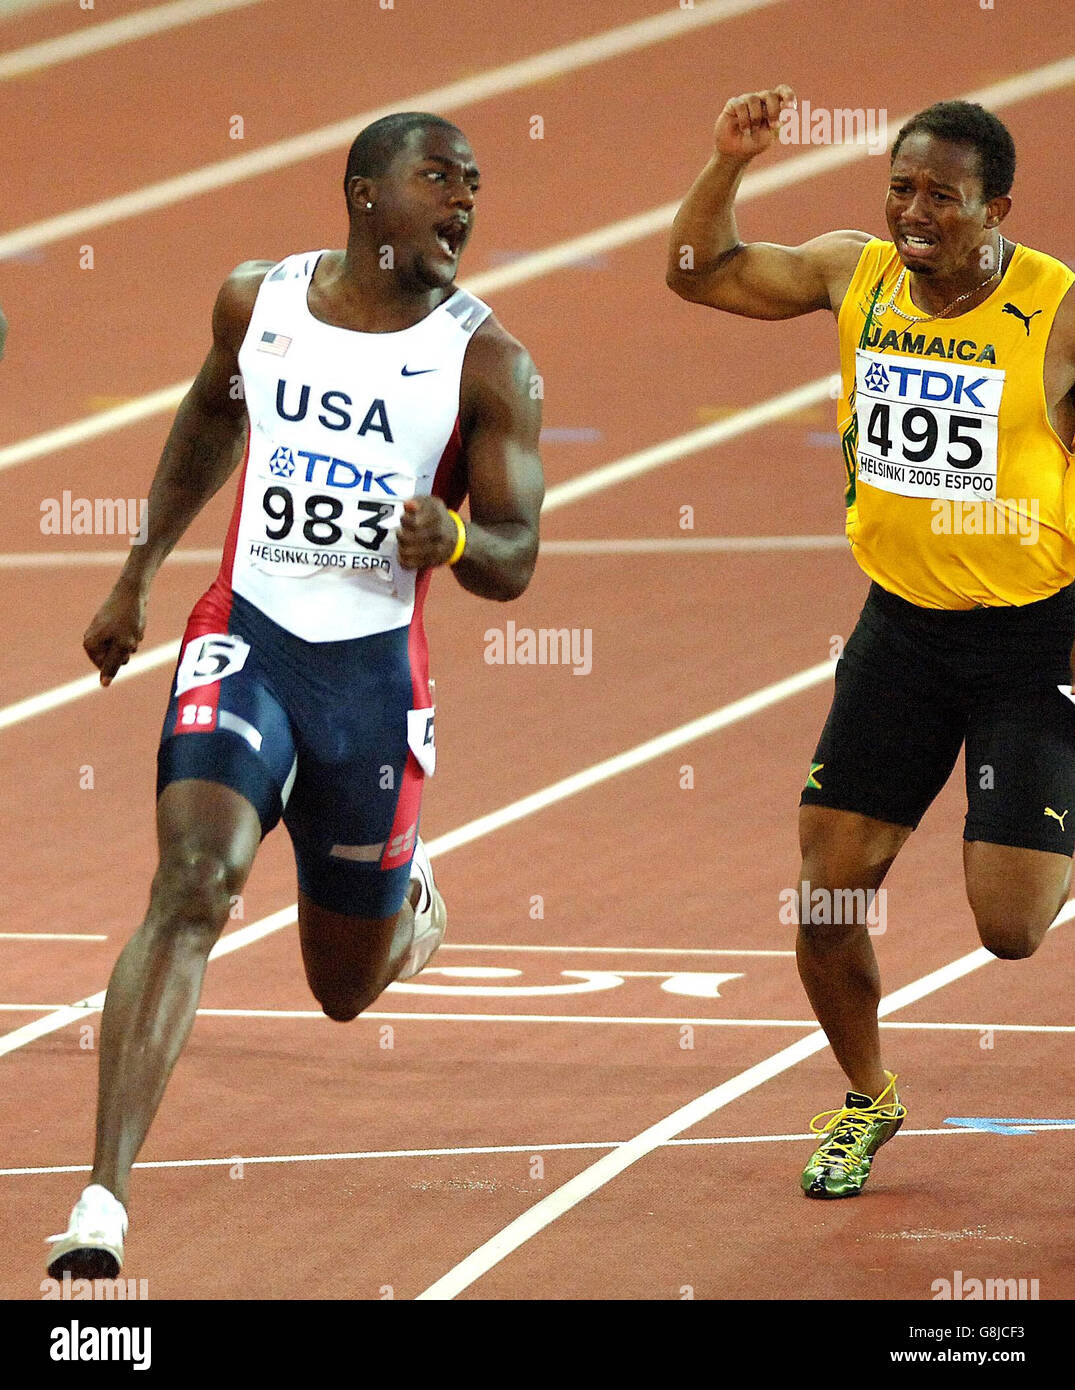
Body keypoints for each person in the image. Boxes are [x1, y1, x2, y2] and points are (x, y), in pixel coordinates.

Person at [46, 111, 544, 1275]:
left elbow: (517, 555)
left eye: (474, 187)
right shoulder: (256, 300)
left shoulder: (487, 362)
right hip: (248, 636)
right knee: (194, 882)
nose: (463, 204)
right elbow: (211, 414)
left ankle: (402, 909)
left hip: (371, 681)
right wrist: (136, 574)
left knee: (341, 990)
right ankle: (101, 1209)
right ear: (363, 196)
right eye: (439, 180)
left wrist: (456, 532)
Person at [668, 89, 1075, 1197]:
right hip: (900, 631)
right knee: (826, 898)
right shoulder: (855, 274)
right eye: (901, 188)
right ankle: (866, 1098)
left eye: (942, 196)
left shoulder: (1056, 314)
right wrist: (726, 163)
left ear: (998, 208)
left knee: (1010, 928)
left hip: (1032, 645)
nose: (913, 212)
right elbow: (698, 271)